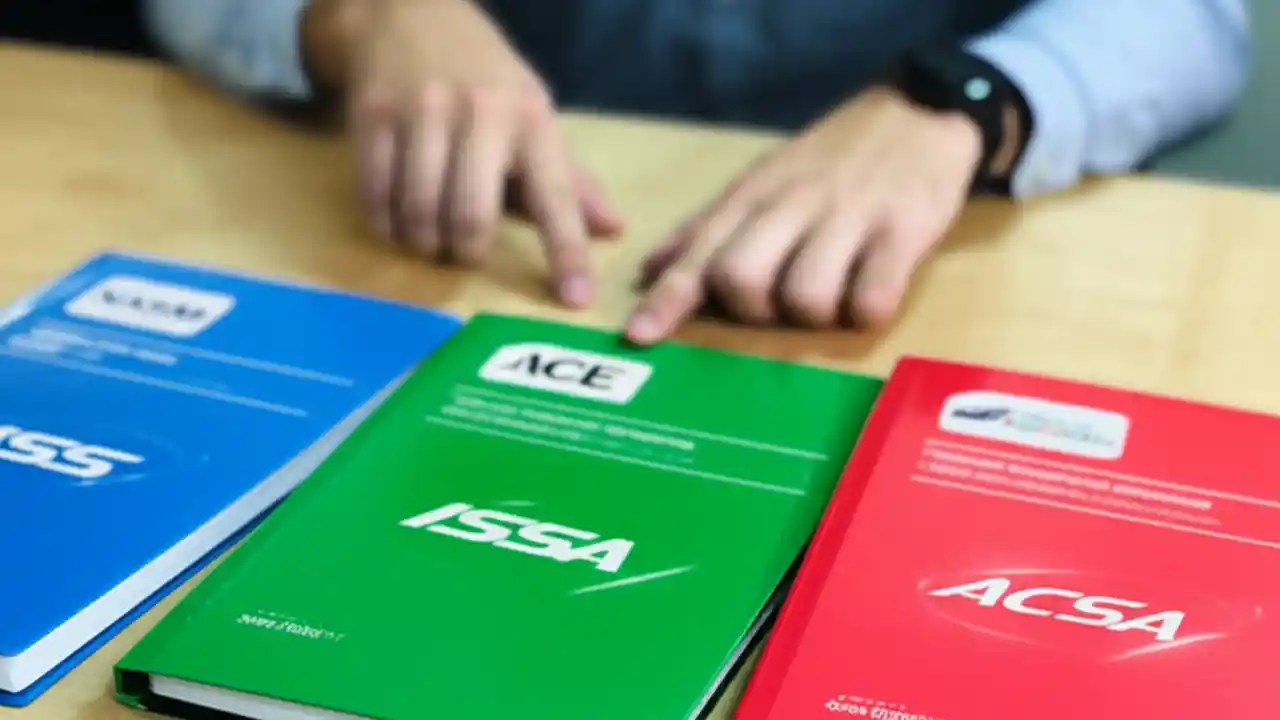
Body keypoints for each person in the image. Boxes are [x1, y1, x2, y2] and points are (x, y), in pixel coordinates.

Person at [141, 0, 1250, 344]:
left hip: (905, 284)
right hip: (424, 251)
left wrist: (962, 101)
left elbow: (1184, 19)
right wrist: (363, 14)